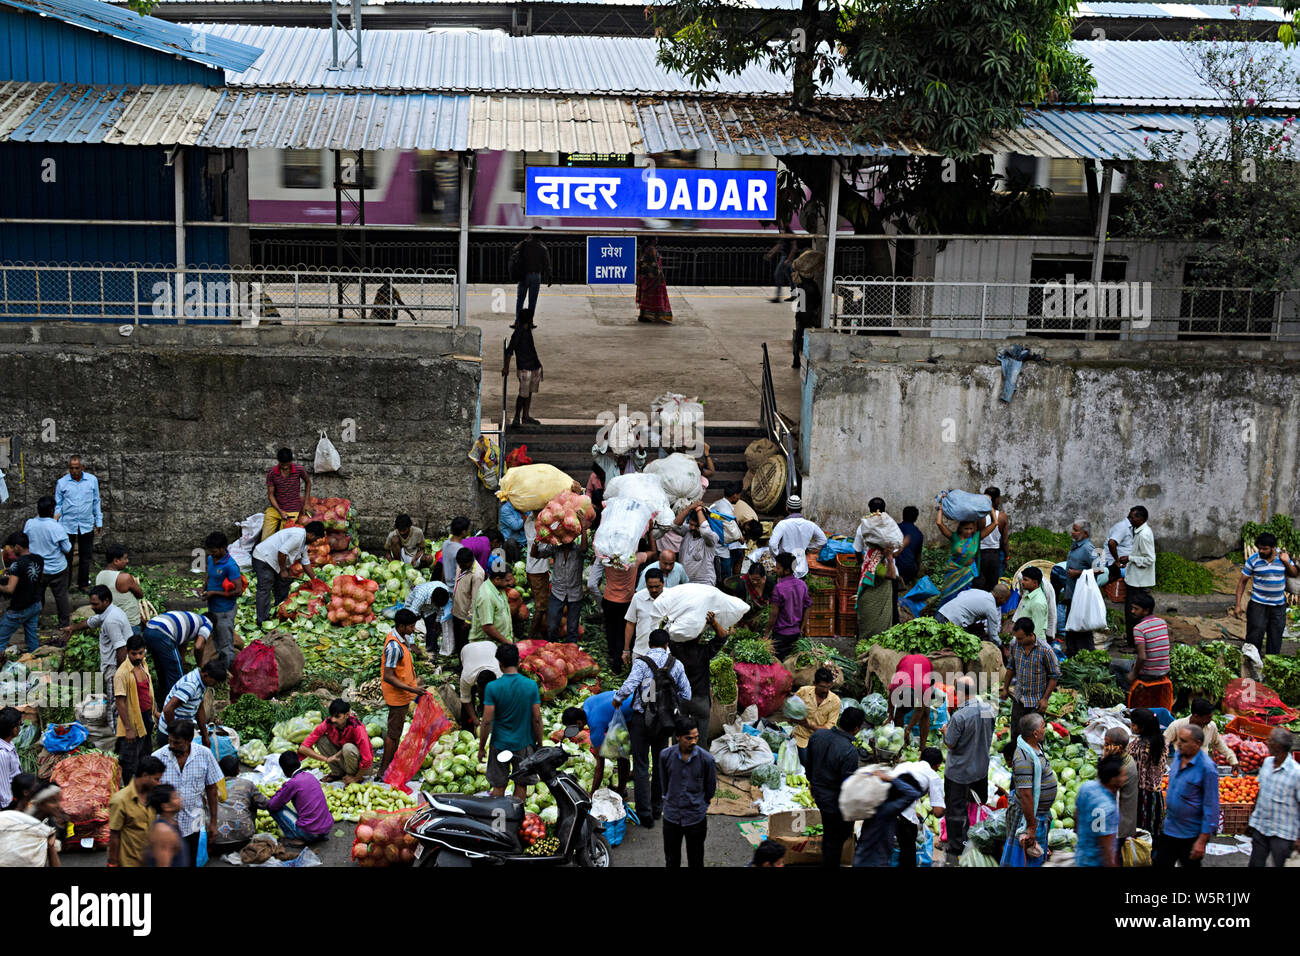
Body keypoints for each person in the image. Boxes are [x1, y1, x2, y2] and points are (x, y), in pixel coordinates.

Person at [613, 628, 692, 827]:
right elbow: (687, 694)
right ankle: (657, 808)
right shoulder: (676, 664)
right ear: (667, 645)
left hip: (642, 719)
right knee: (659, 764)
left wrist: (617, 699)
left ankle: (644, 813)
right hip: (665, 722)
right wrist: (670, 705)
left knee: (640, 765)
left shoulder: (641, 663)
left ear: (649, 644)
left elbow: (629, 686)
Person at [152, 719, 221, 865]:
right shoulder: (158, 757)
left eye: (176, 742)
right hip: (166, 826)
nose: (171, 746)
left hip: (193, 822)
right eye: (170, 741)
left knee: (189, 861)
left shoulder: (205, 754)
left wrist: (213, 822)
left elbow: (211, 789)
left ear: (189, 740)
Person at [63, 584, 131, 732]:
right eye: (91, 603)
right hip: (115, 666)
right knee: (116, 703)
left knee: (115, 705)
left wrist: (120, 675)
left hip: (115, 667)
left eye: (95, 604)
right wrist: (72, 628)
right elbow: (91, 621)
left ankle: (118, 739)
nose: (92, 607)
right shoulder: (109, 612)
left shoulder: (111, 621)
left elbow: (121, 648)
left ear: (106, 601)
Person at [479, 643, 542, 798]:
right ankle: (516, 820)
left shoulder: (493, 687)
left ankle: (498, 821)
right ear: (519, 662)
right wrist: (539, 745)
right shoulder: (531, 685)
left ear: (500, 663)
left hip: (500, 744)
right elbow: (537, 719)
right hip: (524, 744)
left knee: (499, 786)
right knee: (521, 785)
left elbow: (486, 721)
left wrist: (482, 747)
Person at [942, 676, 995, 859]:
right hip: (980, 768)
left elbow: (950, 743)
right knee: (977, 805)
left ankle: (957, 846)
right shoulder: (989, 709)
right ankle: (977, 838)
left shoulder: (959, 716)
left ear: (960, 692)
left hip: (960, 772)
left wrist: (945, 732)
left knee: (956, 810)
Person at [806, 707, 866, 867]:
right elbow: (848, 786)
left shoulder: (818, 735)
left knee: (830, 834)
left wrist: (811, 781)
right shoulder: (849, 751)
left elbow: (808, 762)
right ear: (857, 729)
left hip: (819, 795)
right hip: (834, 802)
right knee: (836, 840)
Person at [1156, 723, 1219, 868]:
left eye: (1184, 741)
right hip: (1169, 829)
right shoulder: (1179, 756)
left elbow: (1212, 807)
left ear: (1197, 744)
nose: (1178, 744)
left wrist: (1202, 841)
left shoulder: (1207, 769)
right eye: (1179, 739)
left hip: (1190, 835)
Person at [1001, 713, 1058, 867]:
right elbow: (1026, 795)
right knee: (1026, 860)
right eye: (1043, 726)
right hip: (1030, 819)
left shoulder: (1035, 747)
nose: (1045, 729)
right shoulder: (1023, 758)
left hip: (1039, 815)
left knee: (1034, 858)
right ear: (1035, 733)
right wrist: (1031, 827)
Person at [658, 719, 716, 868]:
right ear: (678, 737)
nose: (693, 741)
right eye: (689, 738)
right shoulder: (665, 756)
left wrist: (702, 805)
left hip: (695, 818)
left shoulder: (707, 760)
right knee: (671, 860)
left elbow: (710, 789)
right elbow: (663, 783)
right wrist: (668, 800)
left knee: (696, 860)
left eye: (696, 737)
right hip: (672, 818)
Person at [1001, 618, 1059, 763]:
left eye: (1020, 638)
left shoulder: (1045, 650)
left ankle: (1037, 763)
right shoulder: (1015, 645)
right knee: (1016, 731)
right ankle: (1017, 761)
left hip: (1036, 702)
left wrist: (1045, 699)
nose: (1017, 640)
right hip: (1019, 698)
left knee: (1035, 736)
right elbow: (1011, 667)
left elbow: (1054, 676)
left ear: (1030, 634)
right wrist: (1005, 688)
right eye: (1016, 637)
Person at [588, 541, 650, 673]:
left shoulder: (607, 559)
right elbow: (653, 553)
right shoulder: (635, 559)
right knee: (623, 632)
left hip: (609, 600)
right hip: (626, 602)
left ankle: (613, 655)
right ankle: (619, 662)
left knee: (611, 630)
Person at [379, 609, 426, 779]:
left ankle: (388, 765)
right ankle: (383, 770)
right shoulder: (393, 647)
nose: (414, 629)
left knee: (396, 731)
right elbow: (388, 676)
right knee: (394, 733)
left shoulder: (400, 639)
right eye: (411, 626)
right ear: (401, 626)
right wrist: (413, 689)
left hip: (402, 694)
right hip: (397, 697)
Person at [1236, 532, 1299, 657]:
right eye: (1260, 548)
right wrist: (1238, 604)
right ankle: (1251, 665)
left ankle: (1271, 666)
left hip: (1278, 606)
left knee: (1275, 639)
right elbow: (1242, 582)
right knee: (1254, 638)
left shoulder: (1283, 558)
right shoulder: (1253, 559)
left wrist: (1287, 562)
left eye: (1265, 549)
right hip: (1258, 605)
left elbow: (1294, 573)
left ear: (1273, 548)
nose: (1261, 551)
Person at [251, 521, 325, 625]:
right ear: (310, 534)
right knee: (265, 587)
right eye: (316, 538)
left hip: (276, 561)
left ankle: (280, 611)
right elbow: (282, 552)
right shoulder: (298, 536)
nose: (315, 541)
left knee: (283, 583)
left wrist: (314, 580)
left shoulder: (304, 542)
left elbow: (305, 562)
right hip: (263, 558)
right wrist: (283, 570)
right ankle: (262, 620)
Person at [1247, 726, 1300, 867]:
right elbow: (1261, 792)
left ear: (1279, 746)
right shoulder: (1267, 763)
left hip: (1283, 832)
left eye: (1270, 740)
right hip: (1261, 827)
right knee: (1255, 864)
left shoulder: (1296, 773)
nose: (1266, 742)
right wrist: (1252, 817)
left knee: (1281, 863)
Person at [561, 692, 633, 795]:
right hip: (632, 697)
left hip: (637, 710)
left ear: (579, 723)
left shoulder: (595, 725)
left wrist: (592, 793)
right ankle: (629, 776)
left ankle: (621, 791)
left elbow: (600, 765)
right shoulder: (587, 703)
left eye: (572, 727)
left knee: (622, 755)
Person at [854, 767, 926, 868]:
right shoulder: (887, 809)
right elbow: (913, 794)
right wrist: (891, 779)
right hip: (872, 861)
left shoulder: (881, 803)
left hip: (865, 858)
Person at [675, 611, 730, 738]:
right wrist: (714, 623)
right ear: (698, 636)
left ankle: (677, 756)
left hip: (681, 700)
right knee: (700, 739)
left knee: (679, 736)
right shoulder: (704, 651)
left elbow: (665, 634)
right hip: (701, 700)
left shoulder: (676, 649)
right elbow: (723, 636)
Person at [141, 610, 212, 706]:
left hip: (149, 629)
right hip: (162, 632)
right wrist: (200, 666)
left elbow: (181, 655)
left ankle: (162, 700)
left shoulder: (190, 622)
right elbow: (198, 646)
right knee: (176, 675)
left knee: (162, 669)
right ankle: (175, 708)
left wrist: (183, 665)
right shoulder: (208, 622)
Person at [54, 455, 101, 592]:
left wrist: (99, 521)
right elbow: (59, 504)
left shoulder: (92, 481)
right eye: (71, 468)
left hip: (86, 524)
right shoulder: (62, 483)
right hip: (67, 525)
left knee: (85, 556)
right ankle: (66, 584)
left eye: (76, 468)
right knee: (66, 556)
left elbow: (96, 501)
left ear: (82, 468)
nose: (74, 471)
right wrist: (56, 522)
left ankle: (83, 584)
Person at [934, 502, 997, 604]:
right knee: (949, 596)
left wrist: (991, 510)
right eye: (966, 529)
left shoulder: (976, 537)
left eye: (971, 529)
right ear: (960, 528)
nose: (968, 531)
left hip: (968, 573)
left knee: (965, 597)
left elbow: (995, 523)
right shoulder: (954, 537)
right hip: (954, 571)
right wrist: (941, 510)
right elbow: (939, 523)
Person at [157, 659, 226, 751]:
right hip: (169, 734)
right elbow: (168, 710)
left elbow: (199, 707)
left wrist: (204, 735)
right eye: (215, 681)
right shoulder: (191, 685)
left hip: (182, 732)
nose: (215, 685)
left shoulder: (202, 683)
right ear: (206, 675)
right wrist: (175, 735)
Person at [23, 495, 71, 628]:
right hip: (57, 568)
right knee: (61, 597)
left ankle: (34, 623)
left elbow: (25, 540)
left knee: (37, 596)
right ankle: (64, 625)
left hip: (37, 568)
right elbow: (67, 548)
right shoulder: (56, 527)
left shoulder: (30, 524)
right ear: (52, 510)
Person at [299, 698, 374, 783]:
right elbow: (303, 748)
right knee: (321, 740)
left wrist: (356, 777)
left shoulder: (357, 728)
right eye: (331, 716)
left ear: (347, 715)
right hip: (343, 762)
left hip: (362, 769)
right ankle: (338, 773)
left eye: (337, 717)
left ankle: (352, 777)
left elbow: (367, 759)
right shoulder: (328, 723)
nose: (333, 720)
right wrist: (327, 759)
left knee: (347, 747)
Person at [107, 755, 163, 867]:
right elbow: (114, 836)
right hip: (129, 862)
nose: (159, 783)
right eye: (156, 779)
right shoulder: (120, 800)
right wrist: (112, 863)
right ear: (145, 776)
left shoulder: (152, 796)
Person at [266, 752, 334, 845]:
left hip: (310, 833)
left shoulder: (292, 783)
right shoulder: (310, 776)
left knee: (272, 807)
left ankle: (294, 837)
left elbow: (272, 805)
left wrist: (281, 790)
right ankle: (318, 836)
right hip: (326, 829)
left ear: (284, 770)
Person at [893, 747, 945, 868]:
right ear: (938, 765)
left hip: (883, 807)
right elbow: (938, 812)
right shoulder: (933, 776)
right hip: (901, 816)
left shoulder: (904, 765)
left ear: (920, 758)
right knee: (908, 850)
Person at [114, 634, 155, 784]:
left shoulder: (143, 664)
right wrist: (128, 728)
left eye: (141, 653)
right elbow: (120, 702)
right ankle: (128, 787)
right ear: (127, 652)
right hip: (131, 721)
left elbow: (148, 690)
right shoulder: (122, 673)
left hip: (146, 716)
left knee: (145, 752)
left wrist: (154, 710)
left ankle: (143, 782)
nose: (137, 656)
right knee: (129, 759)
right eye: (134, 653)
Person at [532, 532, 587, 643]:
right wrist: (537, 541)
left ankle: (571, 651)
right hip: (557, 593)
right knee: (552, 626)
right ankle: (553, 648)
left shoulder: (578, 550)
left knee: (572, 629)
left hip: (575, 594)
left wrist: (584, 529)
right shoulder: (555, 549)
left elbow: (584, 549)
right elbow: (535, 554)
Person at [200, 531, 243, 668]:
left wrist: (214, 593)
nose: (212, 554)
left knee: (225, 643)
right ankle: (220, 666)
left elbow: (238, 591)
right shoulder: (211, 559)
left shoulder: (230, 566)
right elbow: (209, 576)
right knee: (217, 639)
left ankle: (228, 671)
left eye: (214, 551)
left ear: (223, 548)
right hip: (213, 607)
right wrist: (204, 588)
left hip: (225, 610)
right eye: (210, 552)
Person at [1075, 755, 1126, 867]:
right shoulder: (1107, 808)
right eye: (1123, 775)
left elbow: (1076, 817)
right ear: (1113, 779)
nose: (1125, 778)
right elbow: (1106, 847)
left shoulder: (1086, 787)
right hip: (1094, 862)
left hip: (1080, 857)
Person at [0, 533, 44, 657]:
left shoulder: (17, 563)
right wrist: (12, 573)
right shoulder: (39, 559)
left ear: (18, 547)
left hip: (19, 609)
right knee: (32, 639)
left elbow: (9, 589)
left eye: (12, 548)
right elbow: (30, 577)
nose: (12, 551)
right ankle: (35, 663)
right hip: (35, 604)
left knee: (1, 639)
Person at [1128, 707, 1168, 840]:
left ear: (1142, 727)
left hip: (1139, 794)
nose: (1131, 726)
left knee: (1140, 830)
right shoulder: (1162, 743)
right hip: (1156, 794)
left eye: (1133, 724)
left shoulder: (1136, 746)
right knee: (1154, 828)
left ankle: (1140, 855)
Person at [1119, 506, 1156, 647]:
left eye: (1132, 517)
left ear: (1141, 519)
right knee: (1132, 613)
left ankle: (1134, 645)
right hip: (1134, 579)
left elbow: (1149, 559)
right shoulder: (1138, 531)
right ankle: (1132, 642)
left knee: (1133, 614)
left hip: (1138, 582)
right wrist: (1130, 559)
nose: (1130, 519)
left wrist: (1131, 558)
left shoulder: (1144, 534)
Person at [210, 755, 263, 853]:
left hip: (216, 841)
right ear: (238, 771)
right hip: (243, 840)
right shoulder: (248, 784)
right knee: (253, 801)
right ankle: (245, 828)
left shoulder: (211, 786)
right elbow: (263, 803)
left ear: (219, 771)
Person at [1165, 698, 1237, 768]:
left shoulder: (1211, 726)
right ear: (1196, 716)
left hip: (1203, 768)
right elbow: (1163, 744)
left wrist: (1233, 760)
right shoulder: (1176, 726)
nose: (1211, 719)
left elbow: (1219, 743)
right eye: (1208, 717)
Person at [1119, 592, 1170, 689]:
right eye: (1132, 608)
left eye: (1136, 609)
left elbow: (1142, 657)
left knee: (1114, 665)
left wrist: (1133, 674)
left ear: (1146, 610)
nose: (1132, 611)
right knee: (1130, 662)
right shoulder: (1162, 622)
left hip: (1148, 673)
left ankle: (1127, 692)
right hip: (1164, 670)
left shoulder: (1139, 628)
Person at [768, 495, 828, 579]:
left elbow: (772, 544)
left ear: (787, 508)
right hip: (801, 569)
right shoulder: (810, 524)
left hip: (786, 569)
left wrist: (777, 559)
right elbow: (823, 540)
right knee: (799, 590)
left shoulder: (782, 524)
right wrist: (808, 547)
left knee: (784, 590)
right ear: (801, 509)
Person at [791, 667, 842, 765]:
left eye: (828, 687)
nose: (825, 690)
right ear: (814, 683)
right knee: (806, 761)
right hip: (802, 737)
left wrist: (808, 724)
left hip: (821, 739)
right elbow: (792, 710)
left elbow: (829, 728)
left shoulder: (835, 701)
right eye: (822, 687)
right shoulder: (803, 692)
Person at [853, 532, 898, 642]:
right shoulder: (877, 562)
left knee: (868, 636)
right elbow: (891, 575)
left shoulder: (872, 554)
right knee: (874, 635)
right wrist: (890, 558)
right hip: (874, 604)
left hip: (869, 601)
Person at [766, 552, 811, 659]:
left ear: (786, 570)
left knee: (780, 663)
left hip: (781, 634)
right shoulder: (802, 584)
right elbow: (807, 607)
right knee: (792, 662)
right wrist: (802, 628)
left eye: (778, 568)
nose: (776, 570)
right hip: (795, 633)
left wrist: (767, 633)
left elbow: (774, 614)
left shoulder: (779, 587)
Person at [504, 309, 544, 426]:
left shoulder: (527, 331)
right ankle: (518, 416)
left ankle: (525, 415)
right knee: (523, 394)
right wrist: (506, 368)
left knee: (529, 392)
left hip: (533, 366)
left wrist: (539, 364)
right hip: (524, 368)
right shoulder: (518, 333)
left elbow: (532, 350)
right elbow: (509, 351)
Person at [262, 447, 310, 542]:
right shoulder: (272, 473)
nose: (285, 467)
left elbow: (308, 482)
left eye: (287, 464)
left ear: (291, 461)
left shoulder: (299, 469)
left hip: (292, 510)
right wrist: (280, 511)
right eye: (282, 464)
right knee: (265, 539)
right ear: (278, 461)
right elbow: (270, 495)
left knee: (282, 540)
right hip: (276, 509)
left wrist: (306, 503)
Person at [935, 584, 1009, 645]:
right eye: (1005, 600)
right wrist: (1001, 645)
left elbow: (961, 594)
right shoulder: (991, 608)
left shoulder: (978, 591)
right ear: (1000, 598)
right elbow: (993, 636)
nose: (1005, 603)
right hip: (952, 623)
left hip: (941, 612)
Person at [95, 545, 143, 637]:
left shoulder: (99, 575)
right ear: (116, 561)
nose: (127, 561)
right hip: (129, 623)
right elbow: (140, 594)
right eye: (125, 558)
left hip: (110, 622)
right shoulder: (124, 577)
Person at [888, 652, 934, 748]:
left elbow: (919, 710)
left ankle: (922, 748)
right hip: (905, 662)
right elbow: (890, 697)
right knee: (899, 714)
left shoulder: (924, 688)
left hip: (925, 663)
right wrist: (891, 716)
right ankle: (900, 743)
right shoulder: (897, 684)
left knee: (926, 712)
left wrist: (908, 729)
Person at [624, 568, 666, 668]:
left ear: (663, 583)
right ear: (646, 584)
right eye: (650, 587)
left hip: (664, 654)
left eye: (657, 586)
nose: (654, 590)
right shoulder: (637, 597)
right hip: (640, 651)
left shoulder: (671, 597)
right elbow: (630, 623)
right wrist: (626, 650)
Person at [470, 556, 515, 650]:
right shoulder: (486, 596)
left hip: (500, 643)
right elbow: (487, 626)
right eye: (507, 580)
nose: (510, 583)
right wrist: (508, 643)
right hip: (486, 647)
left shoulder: (500, 589)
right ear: (497, 579)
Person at [1103, 726, 1139, 842]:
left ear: (1119, 748)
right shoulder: (1123, 758)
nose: (1105, 747)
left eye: (1108, 744)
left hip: (1119, 825)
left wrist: (1105, 759)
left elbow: (1104, 788)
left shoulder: (1123, 768)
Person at [671, 503, 719, 587]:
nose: (692, 528)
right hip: (686, 581)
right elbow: (674, 525)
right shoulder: (687, 532)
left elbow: (705, 531)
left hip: (704, 582)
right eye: (690, 524)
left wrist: (699, 509)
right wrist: (689, 508)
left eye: (696, 526)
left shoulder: (711, 538)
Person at [459, 641, 503, 729]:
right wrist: (475, 720)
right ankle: (467, 726)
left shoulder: (500, 674)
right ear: (477, 685)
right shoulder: (466, 677)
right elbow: (465, 700)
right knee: (468, 698)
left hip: (490, 646)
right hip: (467, 650)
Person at [450, 546, 486, 653]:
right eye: (459, 564)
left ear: (470, 562)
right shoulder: (462, 565)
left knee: (464, 644)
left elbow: (475, 599)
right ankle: (459, 663)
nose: (459, 567)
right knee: (458, 642)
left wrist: (469, 619)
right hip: (456, 610)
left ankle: (464, 666)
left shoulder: (477, 575)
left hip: (465, 616)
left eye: (462, 565)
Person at [143, 784, 187, 867]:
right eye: (175, 797)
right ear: (165, 806)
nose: (180, 799)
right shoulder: (163, 831)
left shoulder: (171, 825)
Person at [513, 226, 552, 323]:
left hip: (524, 275)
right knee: (532, 300)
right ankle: (529, 321)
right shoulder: (542, 247)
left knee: (520, 299)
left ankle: (518, 320)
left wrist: (525, 240)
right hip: (536, 276)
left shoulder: (524, 244)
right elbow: (547, 264)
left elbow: (514, 250)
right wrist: (549, 277)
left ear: (531, 233)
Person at [406, 579, 452, 654]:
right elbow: (409, 620)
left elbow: (441, 609)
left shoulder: (445, 594)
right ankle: (408, 647)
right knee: (407, 625)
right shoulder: (420, 596)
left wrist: (437, 621)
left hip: (429, 609)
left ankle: (431, 652)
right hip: (413, 605)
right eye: (436, 605)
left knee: (432, 628)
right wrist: (412, 643)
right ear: (432, 599)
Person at [977, 487, 1010, 591]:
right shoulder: (1002, 517)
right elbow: (1004, 541)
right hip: (994, 554)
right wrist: (1007, 557)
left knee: (979, 583)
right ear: (997, 499)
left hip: (979, 553)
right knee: (992, 584)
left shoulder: (978, 515)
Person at [635, 235, 673, 324]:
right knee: (655, 298)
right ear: (652, 240)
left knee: (647, 298)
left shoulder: (646, 249)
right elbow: (654, 265)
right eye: (656, 238)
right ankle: (656, 316)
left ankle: (644, 315)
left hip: (646, 278)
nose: (657, 240)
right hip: (653, 278)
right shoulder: (651, 250)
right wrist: (659, 276)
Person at [1017, 568, 1050, 643]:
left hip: (1033, 643)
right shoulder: (1030, 594)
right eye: (1022, 579)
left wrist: (1030, 645)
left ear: (1035, 583)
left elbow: (1037, 629)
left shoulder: (1038, 602)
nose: (1022, 582)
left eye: (1025, 580)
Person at [894, 506, 924, 587]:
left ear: (903, 515)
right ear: (916, 518)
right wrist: (916, 572)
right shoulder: (918, 533)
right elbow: (918, 556)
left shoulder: (895, 528)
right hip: (910, 569)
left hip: (894, 567)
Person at [1104, 514, 1134, 588]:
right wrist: (1117, 561)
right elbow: (1111, 543)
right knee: (1136, 571)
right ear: (1134, 518)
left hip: (1124, 561)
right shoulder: (1122, 527)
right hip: (1114, 564)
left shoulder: (1130, 527)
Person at [0, 707, 21, 808]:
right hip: (10, 804)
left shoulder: (9, 744)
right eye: (20, 724)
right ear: (14, 729)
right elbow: (3, 786)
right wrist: (10, 807)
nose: (20, 728)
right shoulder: (2, 754)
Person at [766, 234, 797, 303]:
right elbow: (779, 244)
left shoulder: (788, 232)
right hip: (785, 257)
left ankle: (778, 296)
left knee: (778, 275)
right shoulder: (785, 232)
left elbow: (794, 247)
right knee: (790, 277)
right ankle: (794, 294)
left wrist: (788, 259)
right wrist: (772, 252)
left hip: (785, 257)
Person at [498, 500, 527, 564]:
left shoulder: (525, 506)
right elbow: (515, 526)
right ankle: (516, 565)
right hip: (510, 544)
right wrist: (525, 519)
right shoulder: (505, 509)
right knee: (511, 542)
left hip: (523, 541)